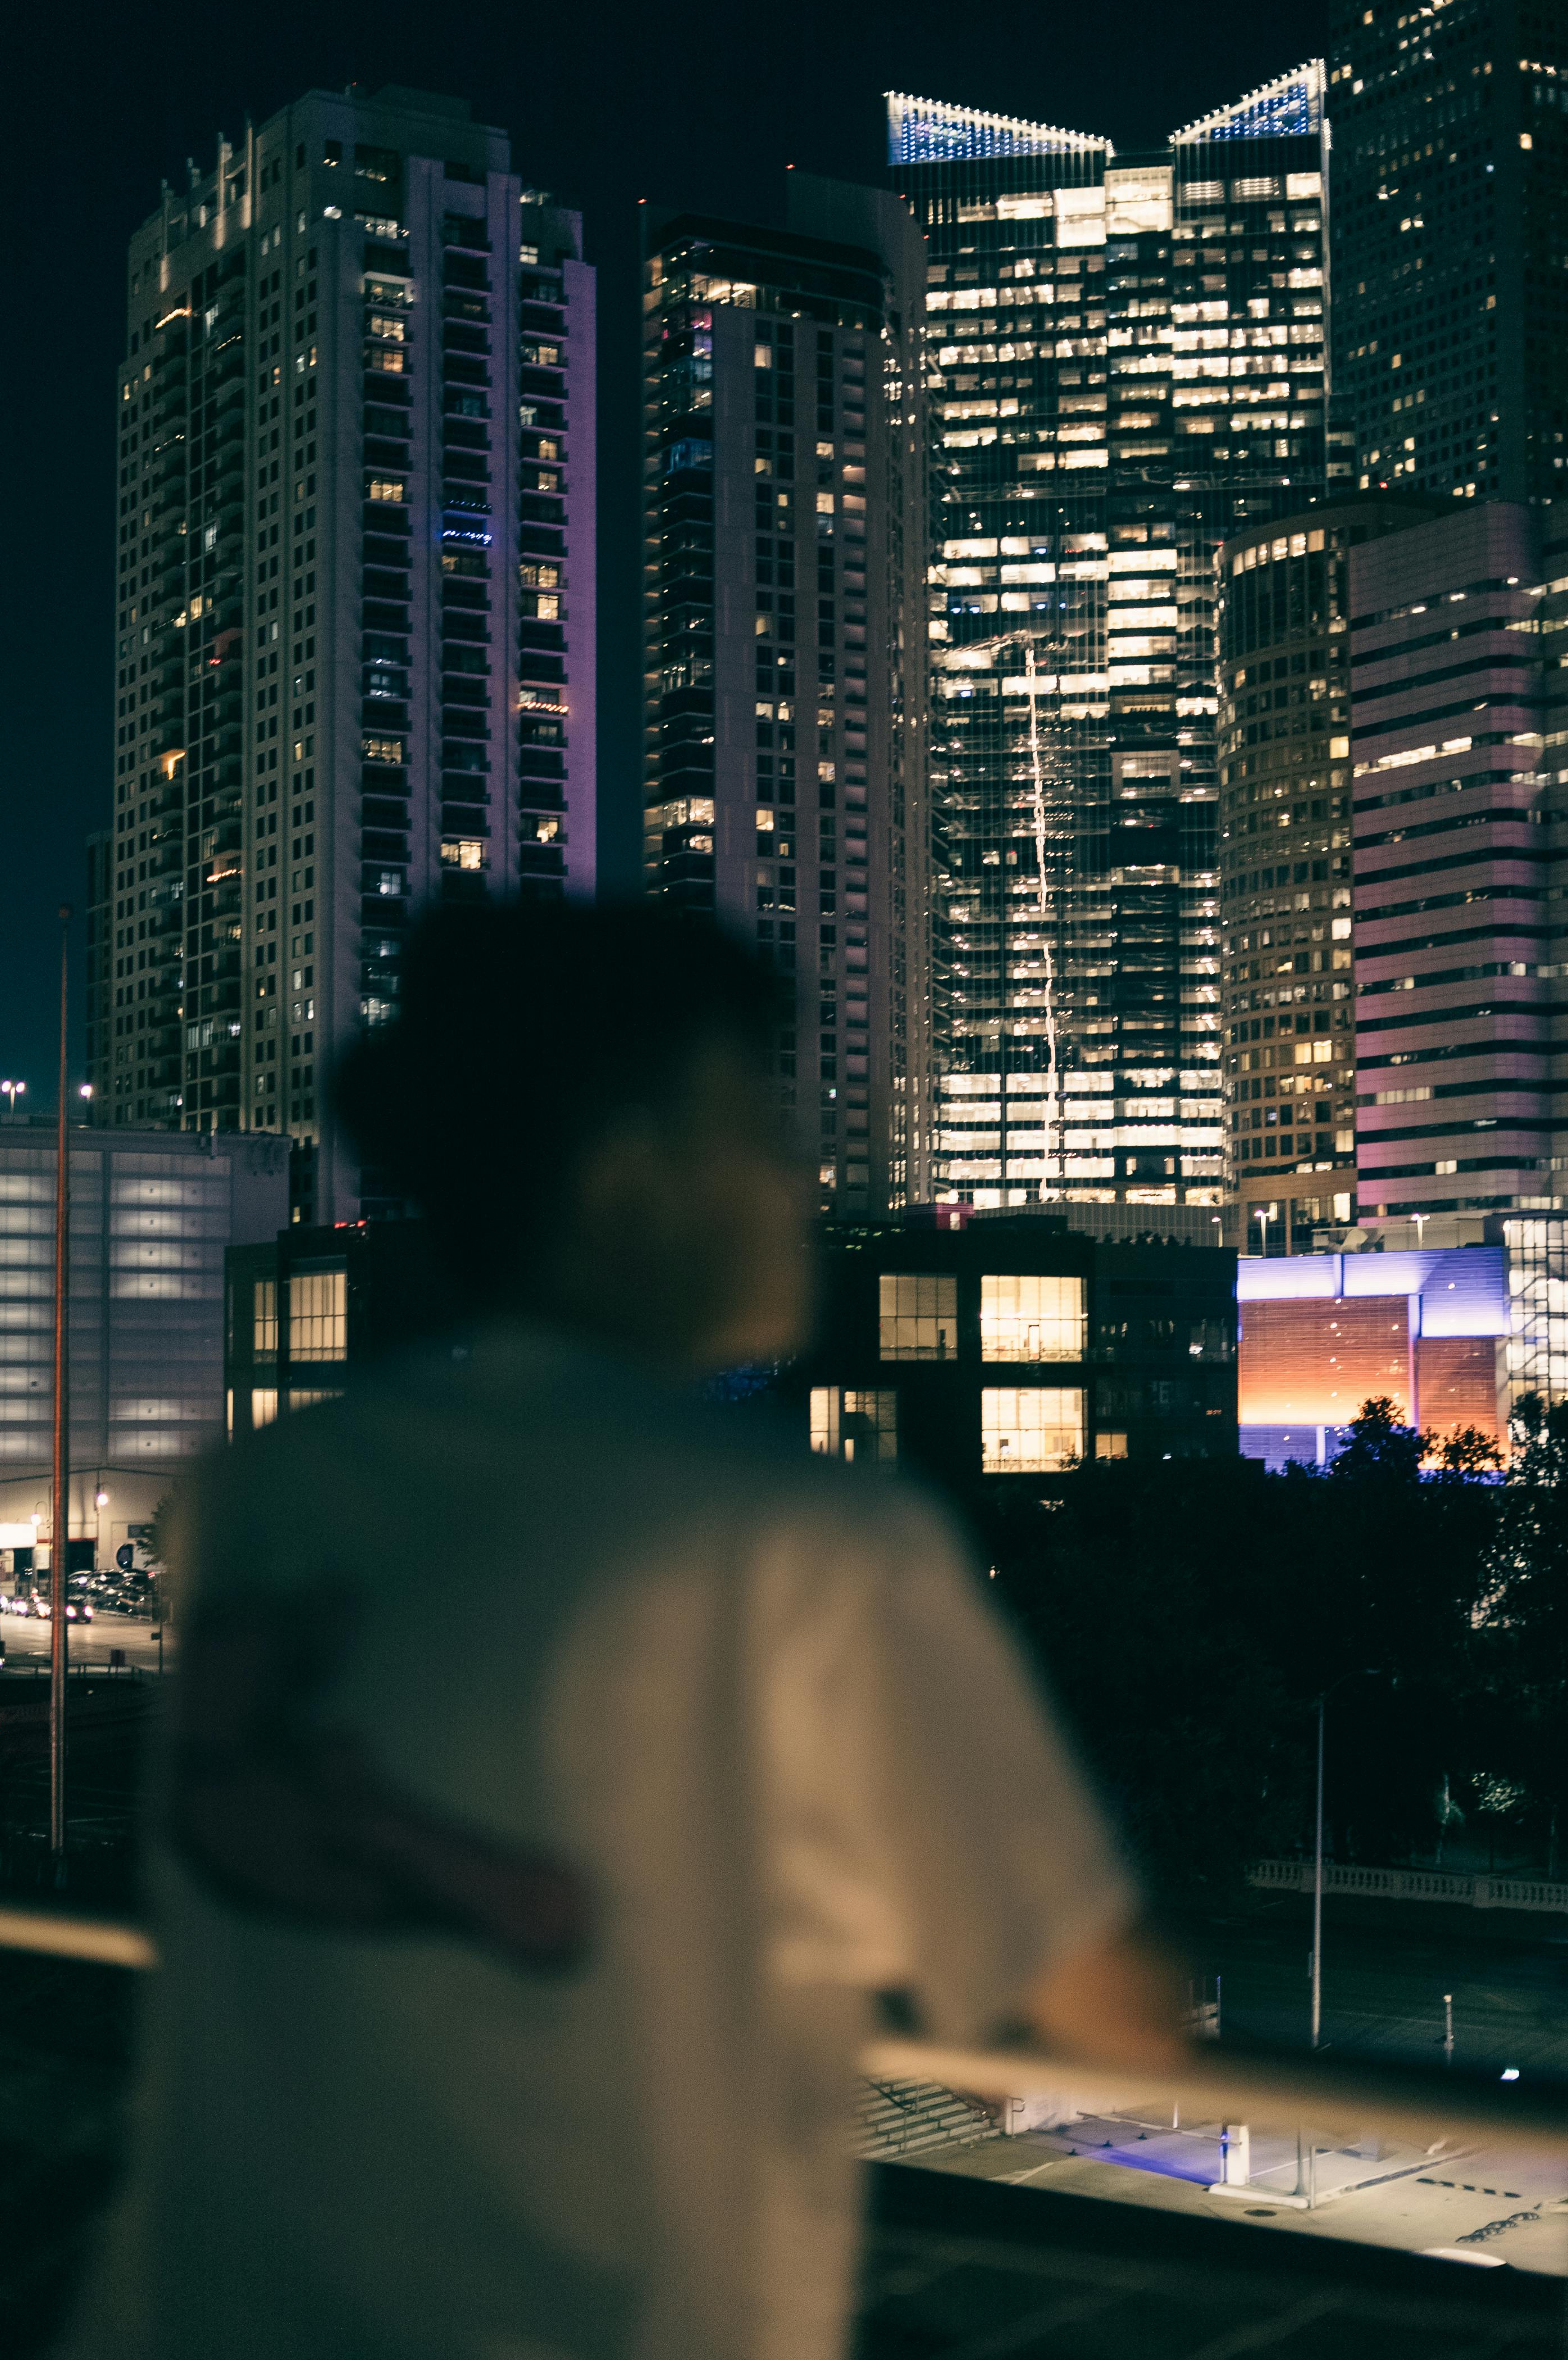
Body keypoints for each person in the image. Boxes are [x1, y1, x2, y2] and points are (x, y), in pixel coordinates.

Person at [66, 901, 1183, 2360]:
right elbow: (1108, 2010)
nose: (799, 1181)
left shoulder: (256, 1499)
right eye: (760, 1130)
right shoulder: (807, 1541)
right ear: (624, 1176)